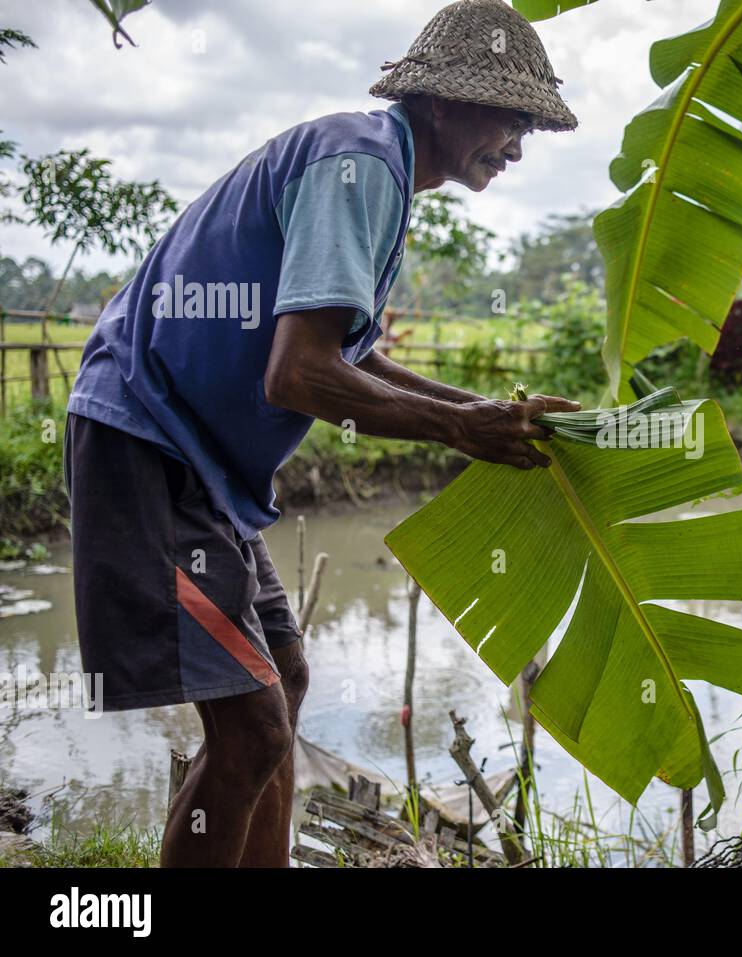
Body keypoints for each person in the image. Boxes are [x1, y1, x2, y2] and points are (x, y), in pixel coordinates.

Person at [62, 0, 580, 867]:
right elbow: (297, 374)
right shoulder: (362, 165)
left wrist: (488, 412)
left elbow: (350, 354)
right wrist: (462, 427)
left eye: (528, 124)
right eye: (508, 117)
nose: (518, 146)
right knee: (253, 726)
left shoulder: (377, 168)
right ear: (443, 101)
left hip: (204, 465)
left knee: (285, 684)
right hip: (145, 443)